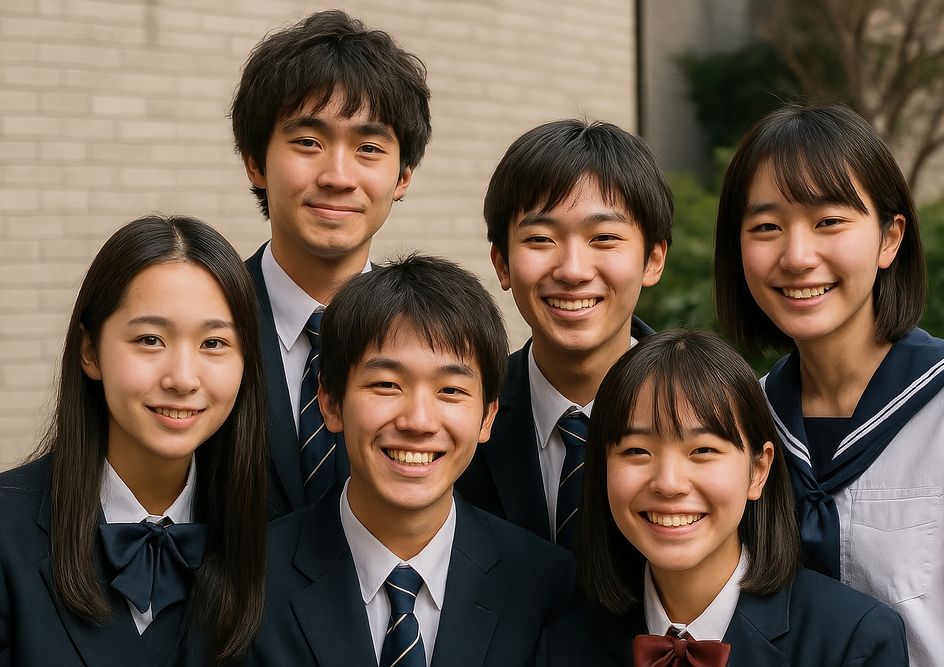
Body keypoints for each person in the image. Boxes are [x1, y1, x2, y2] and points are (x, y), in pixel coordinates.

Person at [714, 103, 944, 666]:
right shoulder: (749, 419)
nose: (797, 257)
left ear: (890, 238)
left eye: (829, 222)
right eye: (767, 227)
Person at [253, 255, 575, 666]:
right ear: (330, 403)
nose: (418, 421)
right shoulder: (249, 579)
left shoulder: (546, 587)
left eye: (450, 390)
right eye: (387, 384)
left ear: (488, 416)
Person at [540, 329, 907, 666]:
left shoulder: (851, 642)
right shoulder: (565, 645)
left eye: (702, 450)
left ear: (758, 470)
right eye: (637, 451)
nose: (669, 483)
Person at [0, 215, 269, 665]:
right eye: (150, 339)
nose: (182, 378)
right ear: (90, 351)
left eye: (213, 343)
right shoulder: (7, 529)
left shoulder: (270, 542)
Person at [230, 9, 432, 516]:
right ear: (255, 162)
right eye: (308, 142)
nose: (338, 176)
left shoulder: (434, 335)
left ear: (403, 177)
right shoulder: (209, 320)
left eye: (369, 147)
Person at [456, 119, 672, 549]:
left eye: (604, 237)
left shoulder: (716, 410)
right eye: (541, 239)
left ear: (652, 260)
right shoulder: (461, 414)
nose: (573, 270)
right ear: (502, 264)